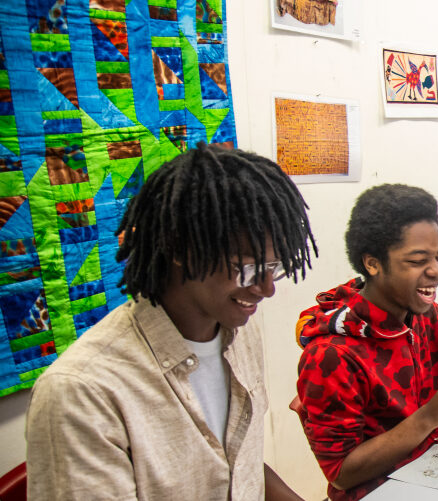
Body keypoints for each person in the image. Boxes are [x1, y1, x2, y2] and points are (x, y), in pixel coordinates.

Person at [25, 145, 316, 500]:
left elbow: (238, 470)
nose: (267, 289)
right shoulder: (82, 392)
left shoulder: (238, 332)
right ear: (181, 249)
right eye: (250, 269)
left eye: (276, 268)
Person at [295, 184, 438, 500]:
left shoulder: (429, 316)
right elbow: (341, 473)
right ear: (373, 263)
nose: (436, 270)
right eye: (417, 260)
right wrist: (429, 418)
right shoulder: (331, 356)